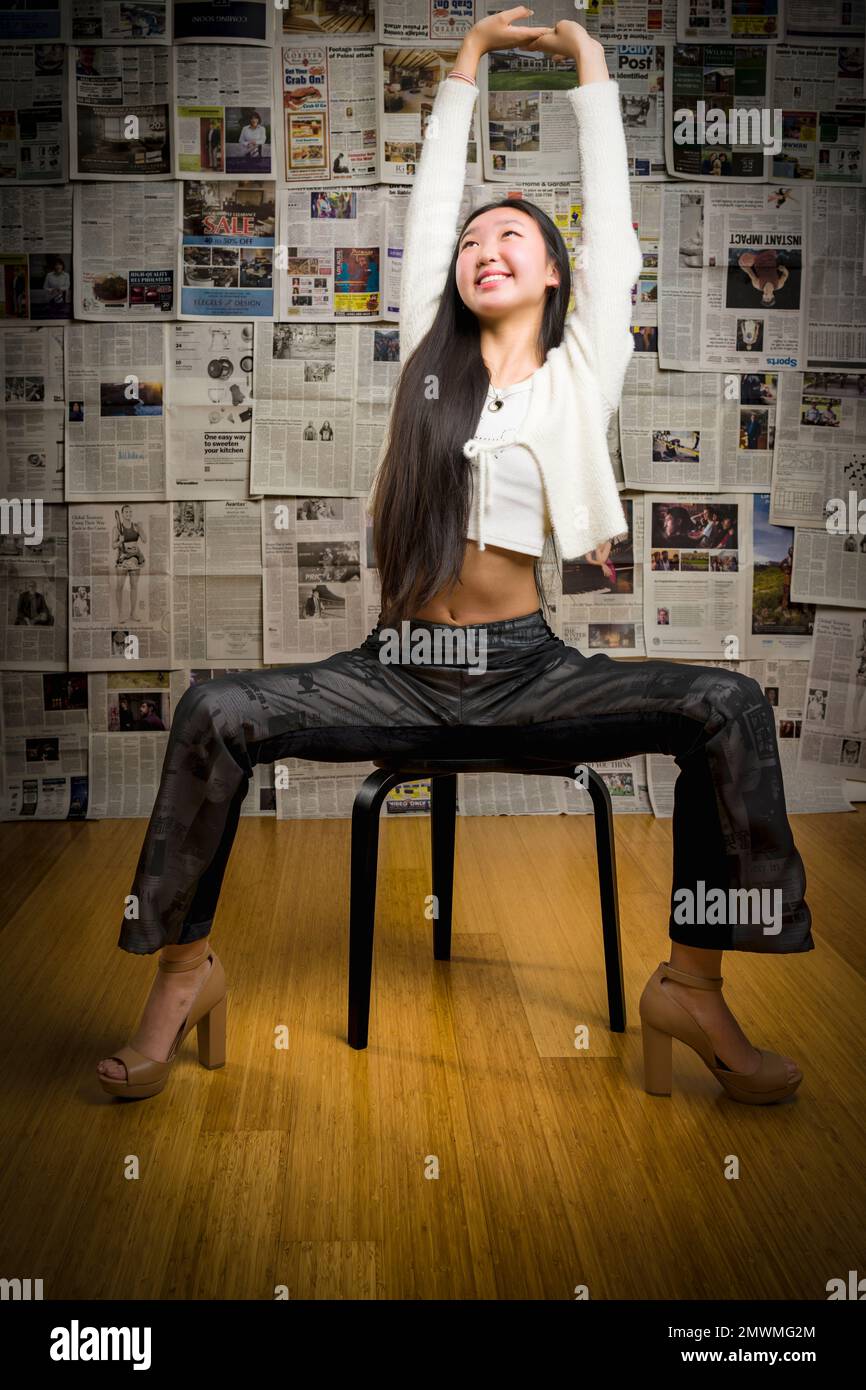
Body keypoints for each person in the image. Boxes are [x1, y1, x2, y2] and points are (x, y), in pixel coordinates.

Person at [98, 10, 809, 1106]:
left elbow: (613, 228)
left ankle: (694, 985)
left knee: (724, 703)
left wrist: (591, 72)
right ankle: (182, 980)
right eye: (474, 243)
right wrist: (466, 65)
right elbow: (433, 216)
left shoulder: (585, 371)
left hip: (530, 675)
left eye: (511, 239)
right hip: (394, 670)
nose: (484, 250)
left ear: (556, 280)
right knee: (214, 709)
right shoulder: (425, 366)